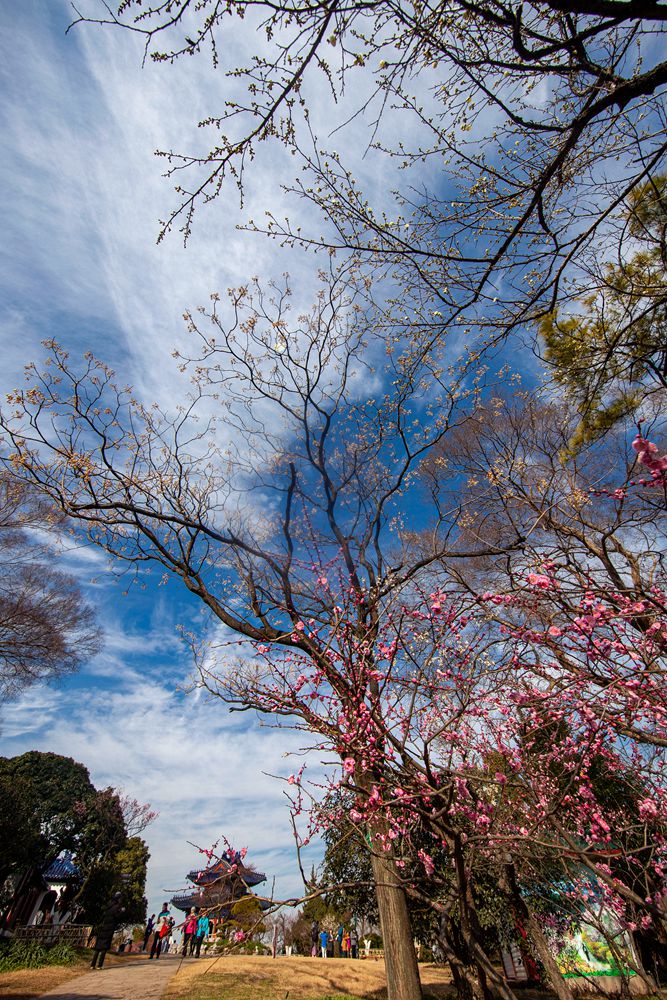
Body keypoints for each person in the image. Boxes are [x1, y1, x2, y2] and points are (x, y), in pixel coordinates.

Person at [90, 892, 125, 970]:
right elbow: (116, 916)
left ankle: (92, 964)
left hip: (103, 927)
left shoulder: (109, 905)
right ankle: (99, 965)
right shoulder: (116, 907)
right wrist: (122, 911)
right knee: (104, 947)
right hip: (109, 928)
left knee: (98, 947)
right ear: (119, 899)